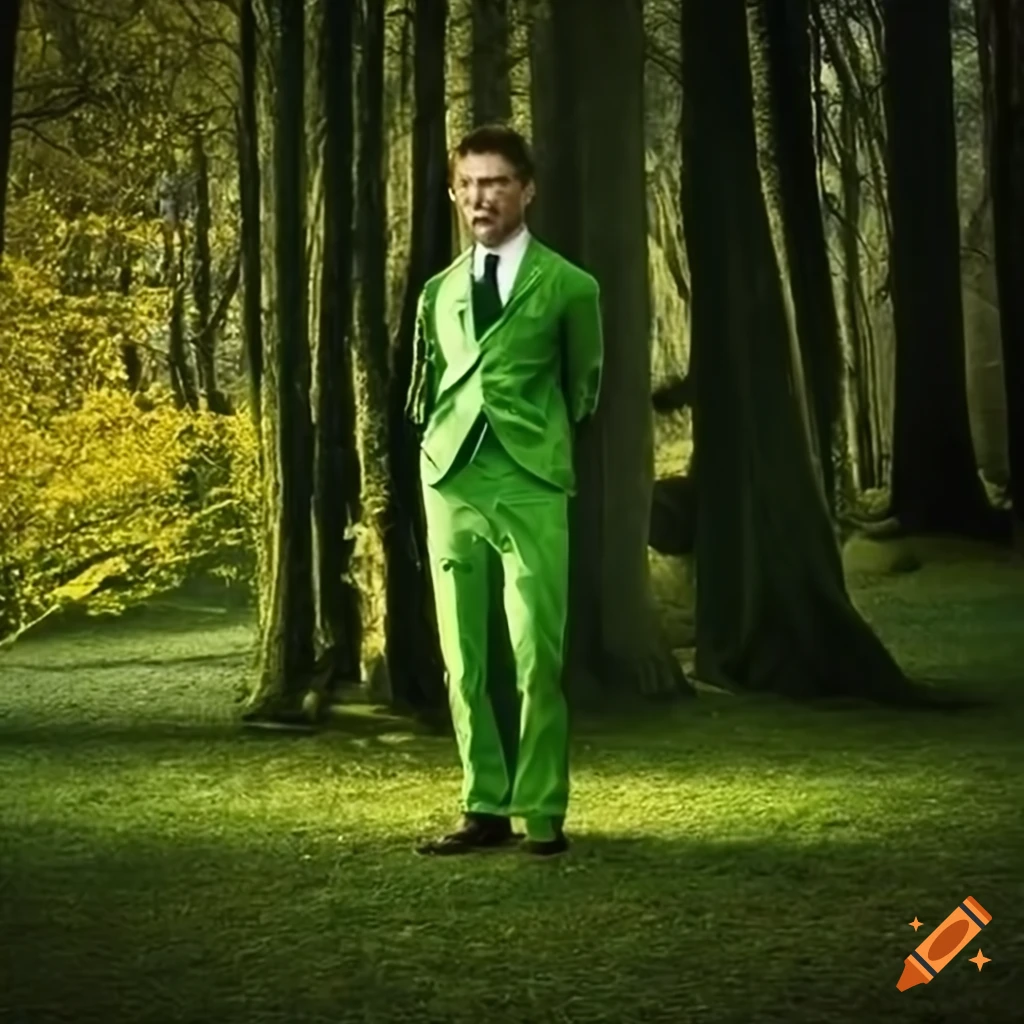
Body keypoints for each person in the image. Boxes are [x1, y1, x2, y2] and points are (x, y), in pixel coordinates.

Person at [407, 124, 603, 857]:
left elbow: (584, 385)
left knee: (535, 657)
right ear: (454, 193)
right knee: (465, 657)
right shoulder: (436, 293)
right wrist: (438, 449)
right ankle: (482, 806)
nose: (480, 196)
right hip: (449, 480)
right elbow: (426, 386)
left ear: (527, 189)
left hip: (530, 482)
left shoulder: (571, 287)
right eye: (469, 183)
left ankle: (543, 813)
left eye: (495, 181)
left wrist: (539, 441)